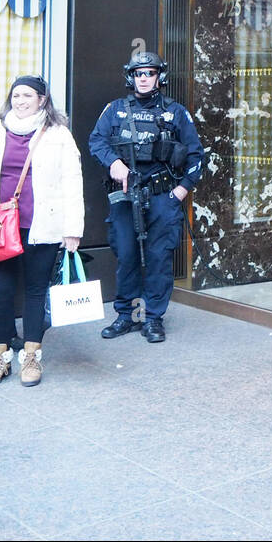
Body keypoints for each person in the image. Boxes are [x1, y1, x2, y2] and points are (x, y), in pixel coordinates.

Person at [0, 76, 83, 387]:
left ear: (42, 99)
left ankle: (31, 356)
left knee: (35, 291)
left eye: (27, 95)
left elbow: (72, 181)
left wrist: (72, 228)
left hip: (43, 225)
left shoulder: (59, 134)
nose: (20, 101)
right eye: (16, 95)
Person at [89, 52, 203, 344]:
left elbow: (195, 154)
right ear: (131, 77)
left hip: (164, 196)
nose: (143, 78)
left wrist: (181, 191)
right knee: (126, 255)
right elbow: (96, 140)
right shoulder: (115, 110)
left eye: (149, 73)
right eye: (138, 73)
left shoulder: (175, 112)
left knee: (158, 258)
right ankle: (125, 315)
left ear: (159, 77)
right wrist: (114, 163)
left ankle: (153, 318)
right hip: (126, 196)